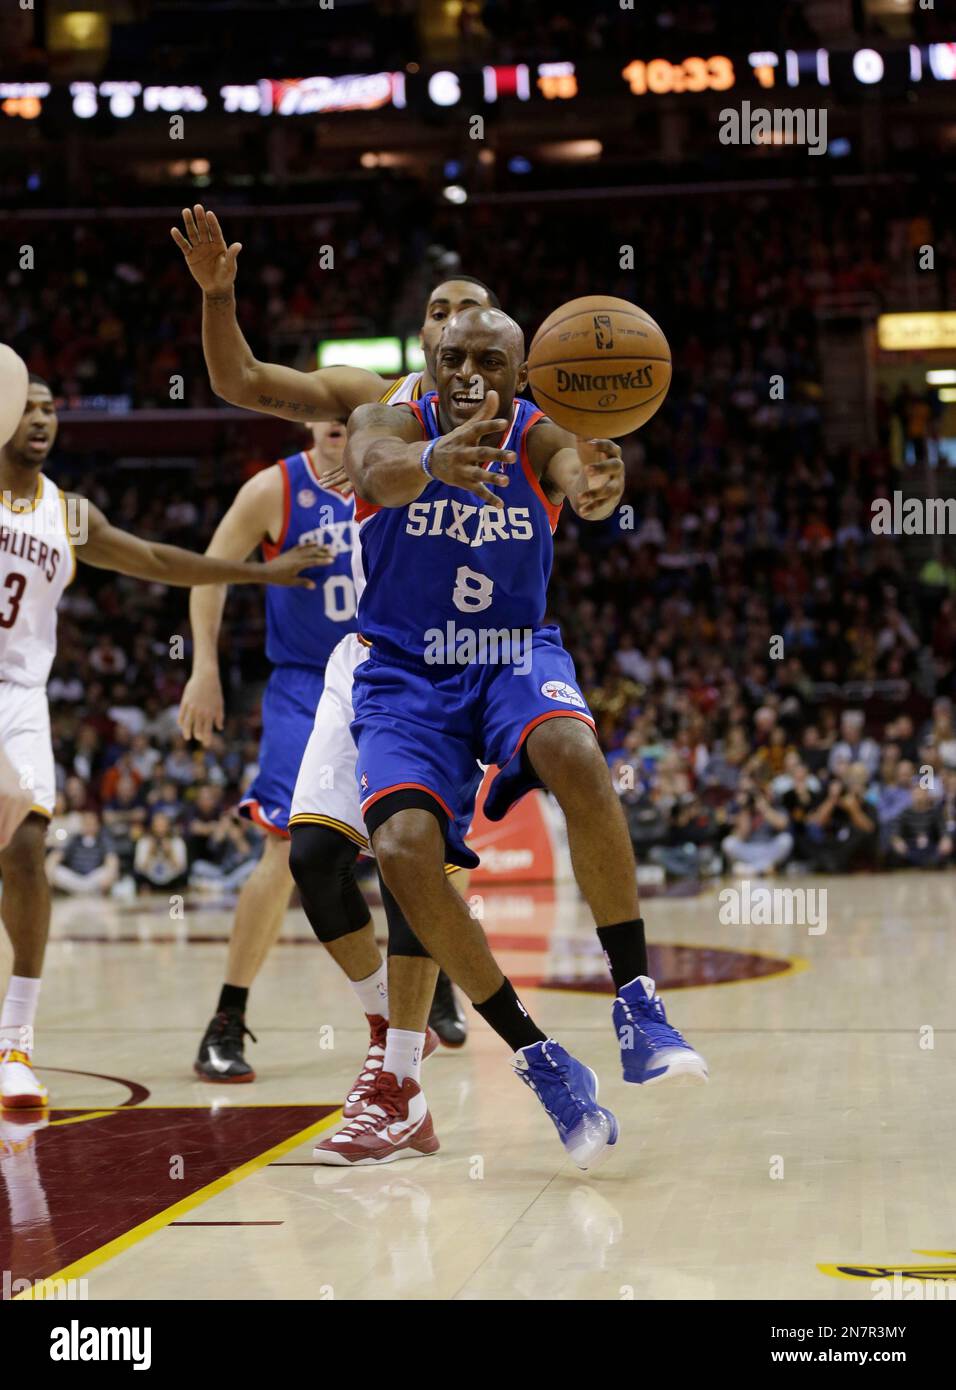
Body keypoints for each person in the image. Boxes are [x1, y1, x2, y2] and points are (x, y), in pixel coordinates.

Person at [312, 306, 707, 1170]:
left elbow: (575, 465)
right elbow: (377, 471)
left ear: (523, 374)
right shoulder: (391, 418)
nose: (466, 373)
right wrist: (427, 462)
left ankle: (637, 1001)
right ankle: (540, 1058)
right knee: (404, 850)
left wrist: (596, 484)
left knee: (573, 750)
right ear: (429, 359)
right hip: (404, 674)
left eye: (490, 360)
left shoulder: (538, 432)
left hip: (509, 653)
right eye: (451, 357)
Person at [172, 205, 494, 1085]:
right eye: (436, 309)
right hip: (331, 673)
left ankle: (433, 1012)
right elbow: (239, 380)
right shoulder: (369, 405)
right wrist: (219, 299)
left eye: (471, 308)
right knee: (297, 851)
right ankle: (246, 1015)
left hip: (452, 665)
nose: (453, 320)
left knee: (423, 854)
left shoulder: (518, 417)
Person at [0, 376, 330, 1110]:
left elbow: (153, 560)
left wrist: (257, 573)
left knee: (25, 850)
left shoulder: (69, 514)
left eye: (52, 409)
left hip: (19, 699)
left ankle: (15, 1045)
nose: (44, 419)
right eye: (29, 406)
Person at [46, 810, 119, 897]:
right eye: (86, 824)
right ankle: (85, 893)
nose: (89, 827)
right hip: (75, 879)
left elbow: (112, 858)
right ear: (81, 825)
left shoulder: (103, 840)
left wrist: (109, 876)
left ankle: (82, 893)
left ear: (97, 825)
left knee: (108, 870)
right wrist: (49, 875)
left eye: (91, 824)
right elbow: (55, 856)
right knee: (56, 870)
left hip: (94, 879)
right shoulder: (74, 839)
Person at [133, 811, 188, 893]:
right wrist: (150, 853)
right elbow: (139, 869)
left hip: (172, 880)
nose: (160, 830)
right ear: (152, 827)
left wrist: (170, 854)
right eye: (157, 826)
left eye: (163, 826)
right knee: (138, 879)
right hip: (150, 881)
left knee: (184, 879)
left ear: (169, 826)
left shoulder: (177, 842)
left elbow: (182, 869)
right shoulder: (144, 842)